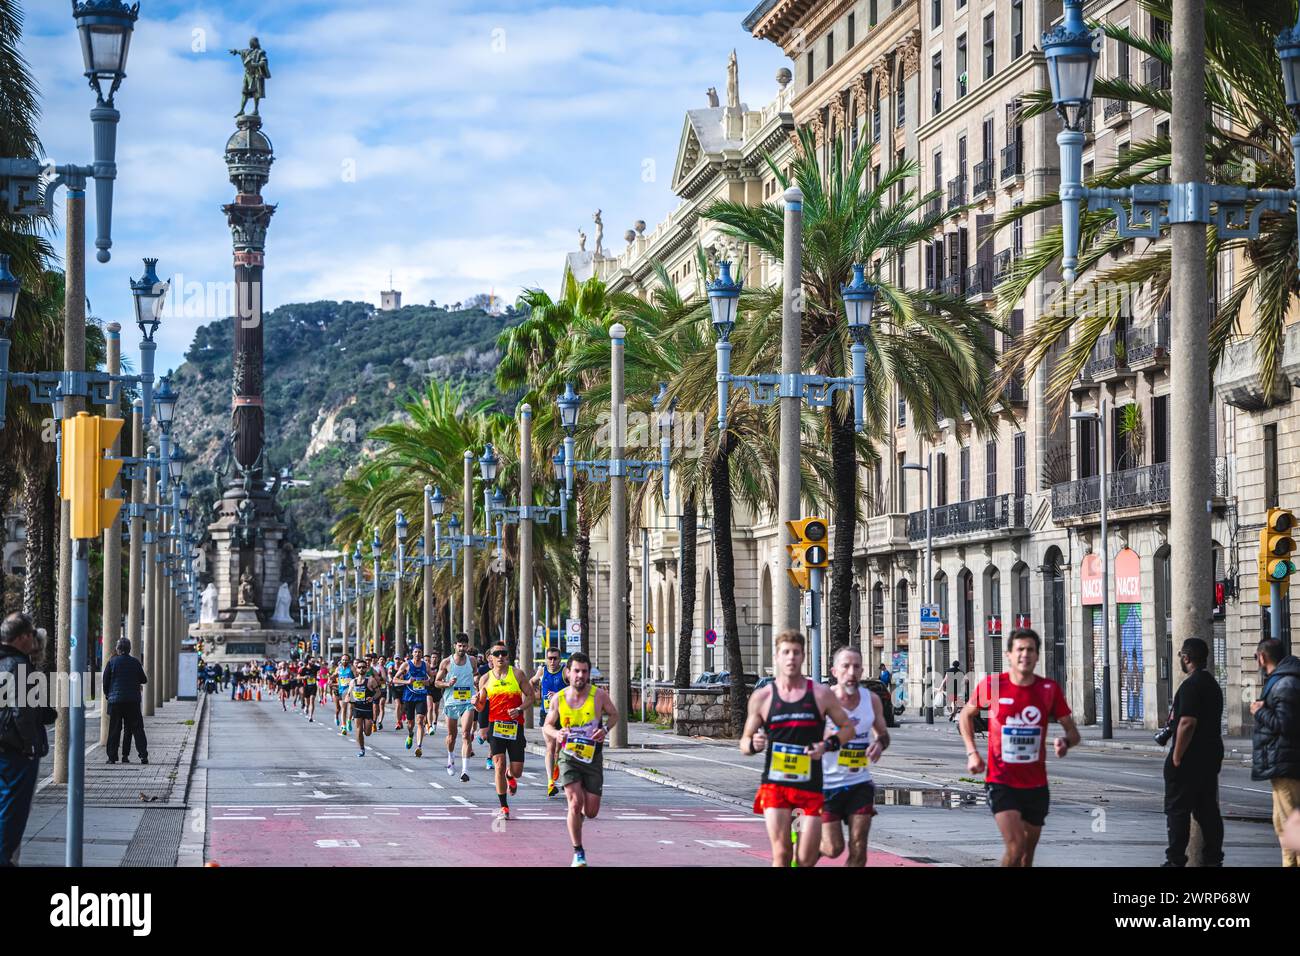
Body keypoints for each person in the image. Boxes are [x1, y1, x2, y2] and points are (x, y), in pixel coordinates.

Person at [959, 627, 1079, 867]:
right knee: (1015, 847)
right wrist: (972, 753)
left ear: (1037, 656)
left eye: (1030, 650)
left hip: (1036, 786)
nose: (1025, 655)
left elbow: (1073, 732)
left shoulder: (1049, 690)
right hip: (1001, 782)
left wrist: (1065, 742)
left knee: (1026, 856)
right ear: (1009, 655)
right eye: (1020, 649)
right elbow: (965, 715)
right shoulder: (993, 685)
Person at [740, 630, 855, 867]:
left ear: (803, 656)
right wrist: (753, 744)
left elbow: (847, 728)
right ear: (777, 657)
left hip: (809, 788)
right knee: (781, 854)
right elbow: (745, 742)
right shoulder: (763, 697)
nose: (791, 658)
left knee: (805, 859)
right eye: (786, 652)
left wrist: (827, 745)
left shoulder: (820, 694)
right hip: (775, 786)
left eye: (796, 653)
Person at [543, 651, 618, 866]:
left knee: (591, 811)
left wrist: (604, 729)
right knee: (574, 803)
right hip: (569, 757)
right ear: (568, 673)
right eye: (576, 671)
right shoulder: (559, 698)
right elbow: (547, 725)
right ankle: (578, 852)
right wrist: (556, 733)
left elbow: (614, 715)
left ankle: (579, 819)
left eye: (584, 671)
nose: (580, 675)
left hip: (592, 757)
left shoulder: (598, 695)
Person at [819, 647, 889, 867]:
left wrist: (878, 744)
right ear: (834, 671)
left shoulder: (872, 700)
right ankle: (807, 845)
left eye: (856, 666)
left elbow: (884, 735)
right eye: (845, 666)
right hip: (826, 785)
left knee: (859, 847)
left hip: (859, 783)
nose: (851, 672)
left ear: (862, 670)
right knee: (833, 848)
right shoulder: (823, 700)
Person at [1161, 637, 1225, 867]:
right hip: (1210, 757)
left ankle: (1175, 860)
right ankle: (1213, 859)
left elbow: (1187, 722)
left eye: (1180, 655)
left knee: (1178, 810)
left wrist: (1177, 756)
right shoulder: (1213, 685)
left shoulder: (1190, 686)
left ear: (1186, 658)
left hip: (1189, 760)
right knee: (1207, 810)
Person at [0, 613, 55, 866]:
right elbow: (21, 710)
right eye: (32, 633)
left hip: (6, 748)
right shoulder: (18, 665)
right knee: (12, 813)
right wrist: (31, 744)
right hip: (16, 753)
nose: (34, 638)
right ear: (22, 637)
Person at [1250, 637, 1300, 866]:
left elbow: (1286, 724)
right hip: (1282, 762)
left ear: (1262, 657)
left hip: (1286, 762)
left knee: (1291, 824)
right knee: (1283, 823)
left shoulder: (1284, 684)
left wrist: (1259, 712)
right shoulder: (1283, 681)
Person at [475, 641, 535, 820]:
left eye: (504, 653)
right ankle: (504, 806)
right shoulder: (485, 679)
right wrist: (479, 715)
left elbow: (531, 696)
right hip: (496, 726)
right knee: (498, 765)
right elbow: (481, 706)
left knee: (517, 771)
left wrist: (520, 709)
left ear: (508, 656)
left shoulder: (517, 675)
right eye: (497, 654)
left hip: (515, 726)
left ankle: (511, 775)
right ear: (490, 658)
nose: (500, 656)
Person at [437, 636, 479, 782]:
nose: (462, 649)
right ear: (455, 645)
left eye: (464, 646)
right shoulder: (447, 662)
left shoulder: (472, 660)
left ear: (468, 647)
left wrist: (476, 680)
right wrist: (448, 683)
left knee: (466, 734)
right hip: (451, 702)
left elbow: (475, 674)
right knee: (451, 736)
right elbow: (436, 682)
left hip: (468, 701)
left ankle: (465, 770)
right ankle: (450, 757)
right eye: (460, 646)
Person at [103, 637, 149, 764]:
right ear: (129, 649)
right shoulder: (135, 662)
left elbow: (105, 681)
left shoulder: (111, 662)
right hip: (132, 702)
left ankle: (112, 757)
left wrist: (108, 695)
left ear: (118, 649)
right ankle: (142, 755)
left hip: (115, 702)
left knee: (115, 729)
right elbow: (144, 679)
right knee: (136, 728)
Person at [531, 647, 569, 796]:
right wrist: (534, 689)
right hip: (546, 714)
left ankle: (556, 766)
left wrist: (559, 695)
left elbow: (575, 689)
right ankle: (550, 782)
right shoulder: (542, 671)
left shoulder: (565, 672)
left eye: (555, 658)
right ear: (546, 659)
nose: (552, 661)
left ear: (560, 660)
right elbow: (531, 681)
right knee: (550, 747)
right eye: (550, 658)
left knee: (558, 750)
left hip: (562, 715)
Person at [394, 647, 431, 756]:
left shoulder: (426, 665)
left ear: (422, 654)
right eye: (415, 652)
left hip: (421, 696)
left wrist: (427, 682)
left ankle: (419, 746)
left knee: (420, 721)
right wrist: (407, 681)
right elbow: (395, 679)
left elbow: (431, 680)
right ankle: (410, 734)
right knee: (410, 724)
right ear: (412, 653)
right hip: (409, 697)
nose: (417, 654)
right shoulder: (406, 665)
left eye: (420, 652)